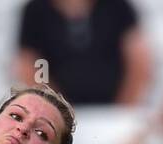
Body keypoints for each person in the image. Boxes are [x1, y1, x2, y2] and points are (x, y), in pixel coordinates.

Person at [14, 0, 150, 106]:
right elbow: (31, 66)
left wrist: (122, 107)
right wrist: (57, 108)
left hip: (113, 112)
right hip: (60, 115)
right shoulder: (35, 11)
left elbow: (138, 63)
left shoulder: (118, 7)